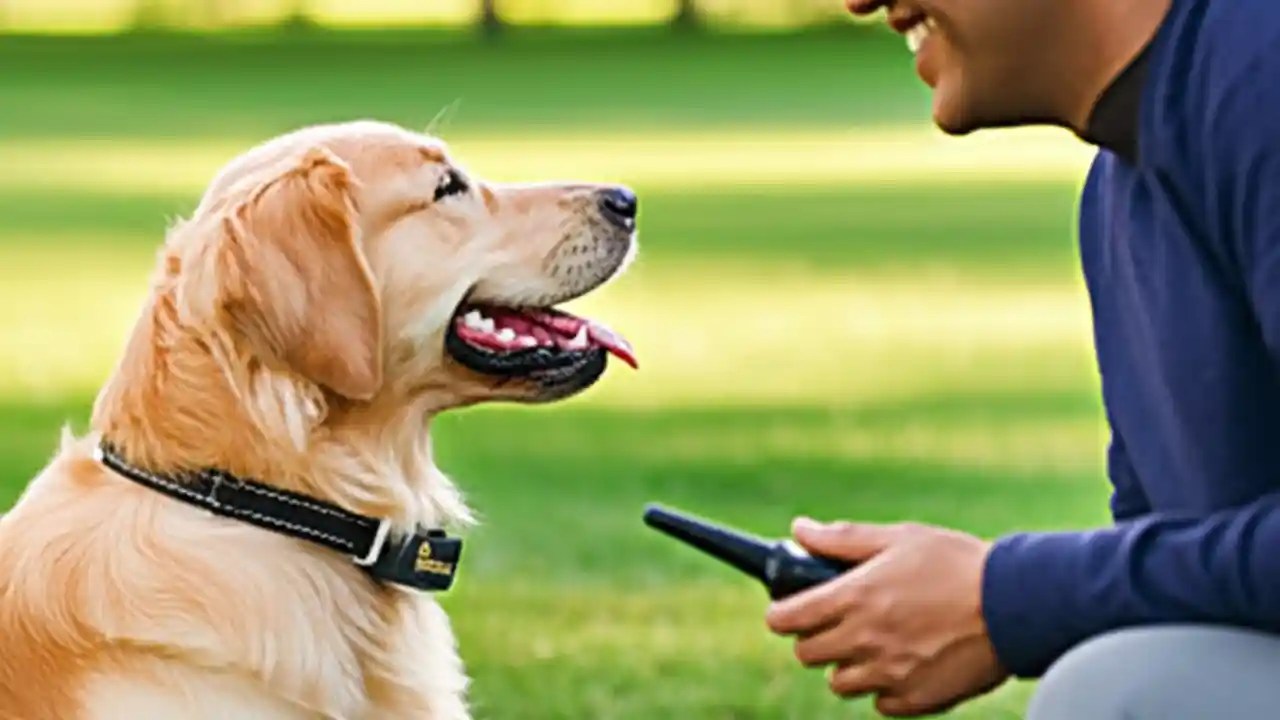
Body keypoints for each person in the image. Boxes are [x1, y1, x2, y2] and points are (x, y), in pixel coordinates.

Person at [763, 0, 1280, 717]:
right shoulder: (1117, 192)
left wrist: (1008, 595)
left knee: (1122, 693)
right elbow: (1183, 572)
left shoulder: (1260, 67)